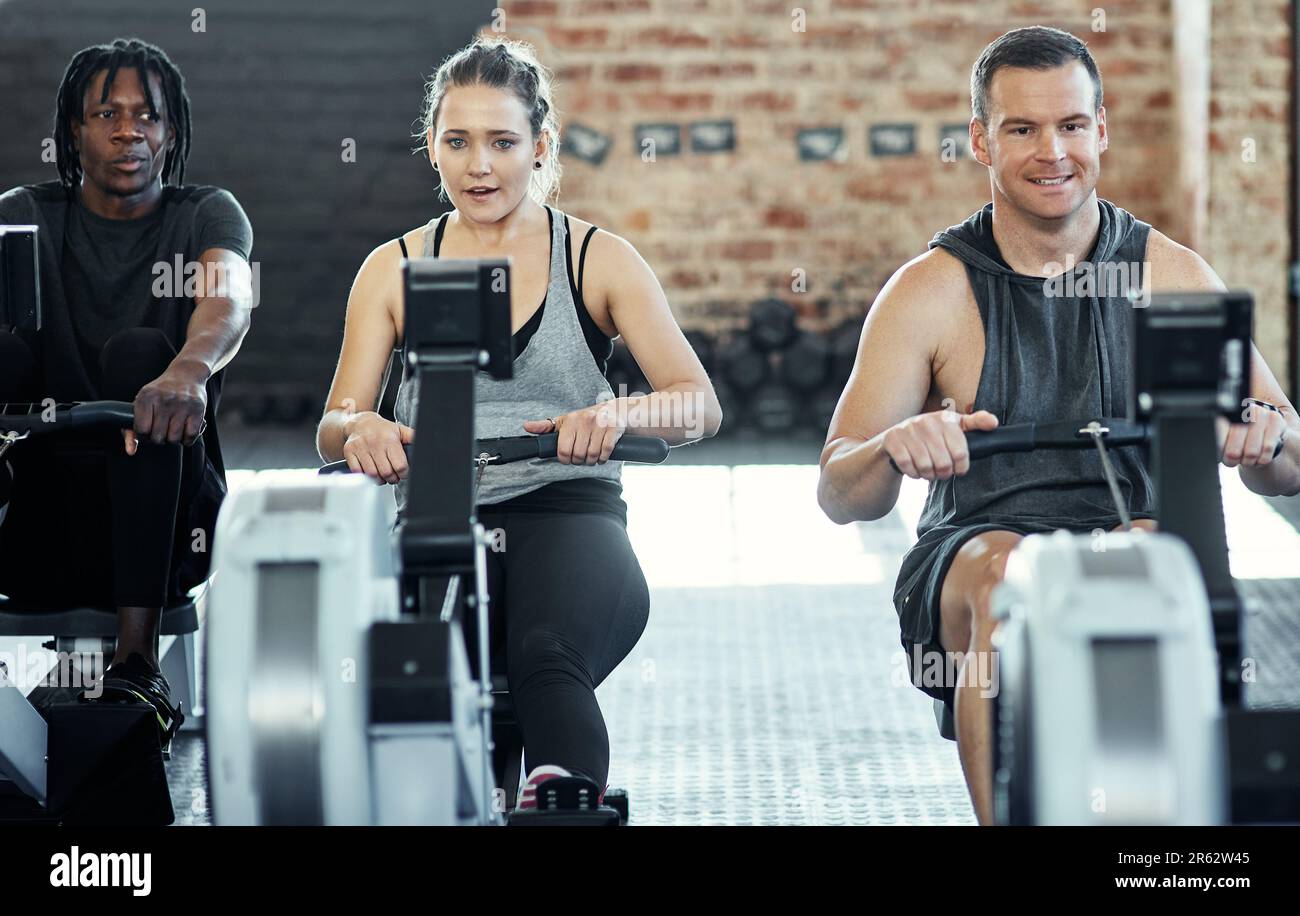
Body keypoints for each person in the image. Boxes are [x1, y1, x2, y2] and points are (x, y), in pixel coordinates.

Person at [817, 25, 1300, 825]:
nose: (1054, 151)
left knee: (1157, 570)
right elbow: (840, 492)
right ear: (980, 140)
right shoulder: (927, 291)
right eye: (1022, 129)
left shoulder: (1171, 274)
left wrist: (1263, 436)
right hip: (978, 548)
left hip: (1130, 526)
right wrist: (893, 448)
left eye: (1072, 125)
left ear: (1101, 129)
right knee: (1014, 578)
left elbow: (1289, 455)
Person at [317, 37, 721, 808]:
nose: (480, 166)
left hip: (569, 509)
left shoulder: (598, 259)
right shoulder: (392, 268)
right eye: (458, 141)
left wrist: (617, 412)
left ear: (540, 146)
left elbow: (697, 404)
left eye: (502, 143)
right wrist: (358, 429)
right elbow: (337, 419)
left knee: (541, 654)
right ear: (431, 146)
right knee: (440, 676)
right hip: (436, 513)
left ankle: (565, 803)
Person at [0, 38, 253, 749]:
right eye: (106, 113)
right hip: (36, 529)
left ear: (171, 134)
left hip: (166, 526)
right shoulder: (23, 214)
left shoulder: (205, 213)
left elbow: (228, 299)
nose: (128, 130)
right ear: (74, 132)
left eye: (148, 116)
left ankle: (136, 662)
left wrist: (187, 373)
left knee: (142, 355)